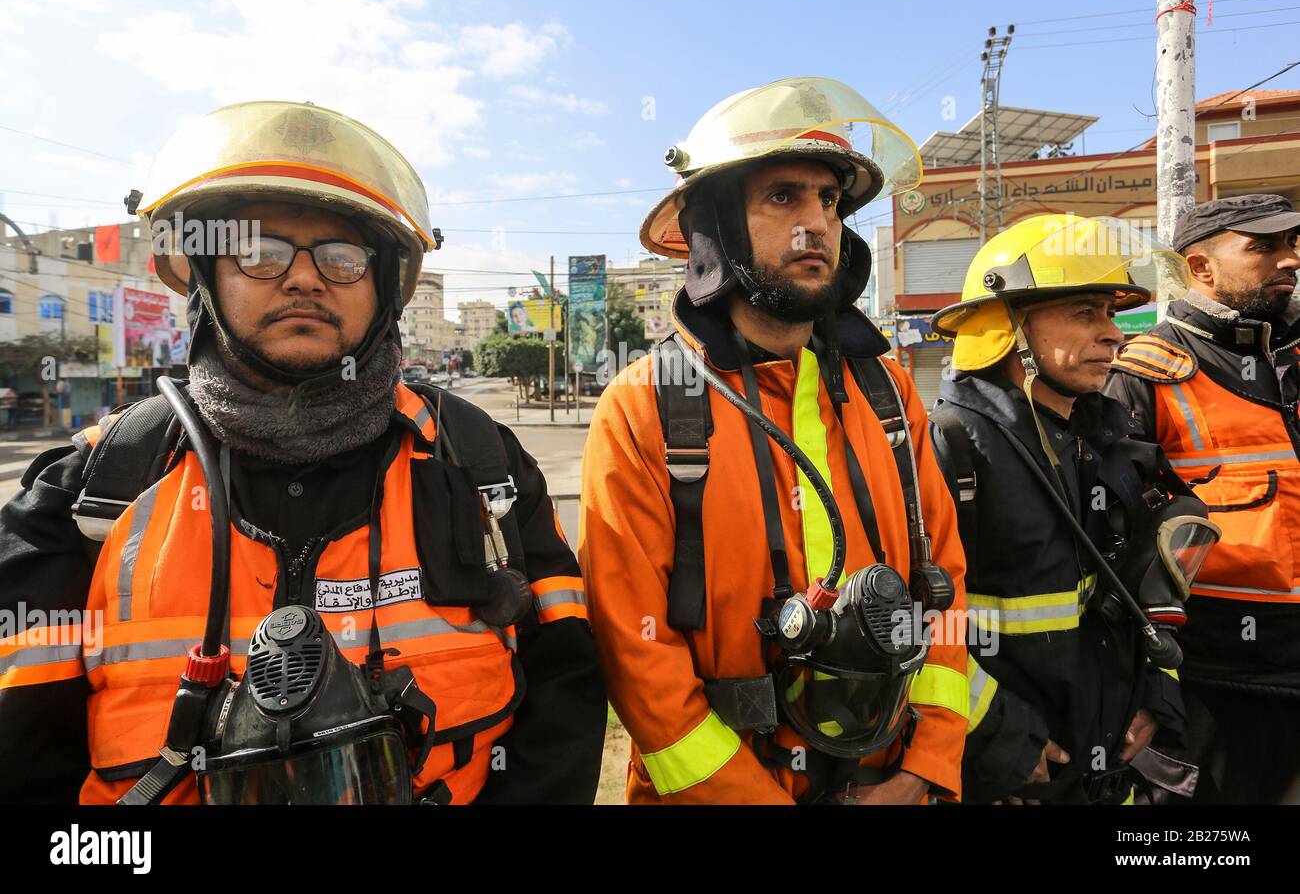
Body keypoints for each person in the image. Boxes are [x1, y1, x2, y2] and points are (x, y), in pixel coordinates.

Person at [0, 100, 606, 805]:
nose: (304, 278)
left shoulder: (480, 462)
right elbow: (23, 760)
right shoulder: (89, 490)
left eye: (343, 257)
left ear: (385, 286)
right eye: (260, 251)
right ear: (206, 275)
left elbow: (562, 698)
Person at [580, 77, 969, 805]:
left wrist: (924, 767)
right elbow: (636, 650)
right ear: (714, 231)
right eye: (783, 197)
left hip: (886, 781)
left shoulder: (887, 391)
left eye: (830, 201)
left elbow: (940, 580)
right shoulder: (644, 406)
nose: (816, 223)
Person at [929, 214, 1213, 804]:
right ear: (1008, 326)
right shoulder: (950, 446)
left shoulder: (1112, 441)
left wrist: (1157, 695)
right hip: (1009, 777)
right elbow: (916, 622)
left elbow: (1147, 592)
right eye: (1086, 313)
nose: (1113, 334)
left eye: (1110, 314)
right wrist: (998, 739)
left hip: (1109, 770)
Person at [1105, 194, 1300, 803]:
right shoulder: (1143, 373)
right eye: (1263, 247)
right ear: (1201, 267)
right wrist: (1143, 685)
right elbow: (1113, 541)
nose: (1289, 259)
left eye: (1292, 243)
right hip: (1217, 682)